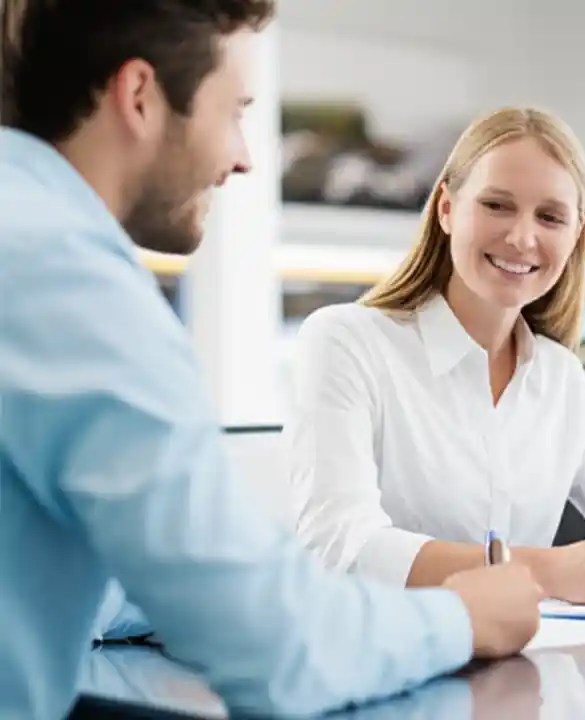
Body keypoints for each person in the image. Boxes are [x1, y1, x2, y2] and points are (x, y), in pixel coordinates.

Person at [0, 2, 542, 718]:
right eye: (236, 112)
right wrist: (465, 615)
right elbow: (282, 657)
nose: (245, 156)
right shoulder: (69, 278)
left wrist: (218, 588)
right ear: (139, 96)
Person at [284, 106, 585, 604]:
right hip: (381, 666)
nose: (522, 238)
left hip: (518, 672)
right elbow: (337, 546)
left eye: (550, 216)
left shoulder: (559, 377)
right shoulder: (346, 342)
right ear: (446, 209)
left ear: (576, 233)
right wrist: (543, 570)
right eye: (497, 205)